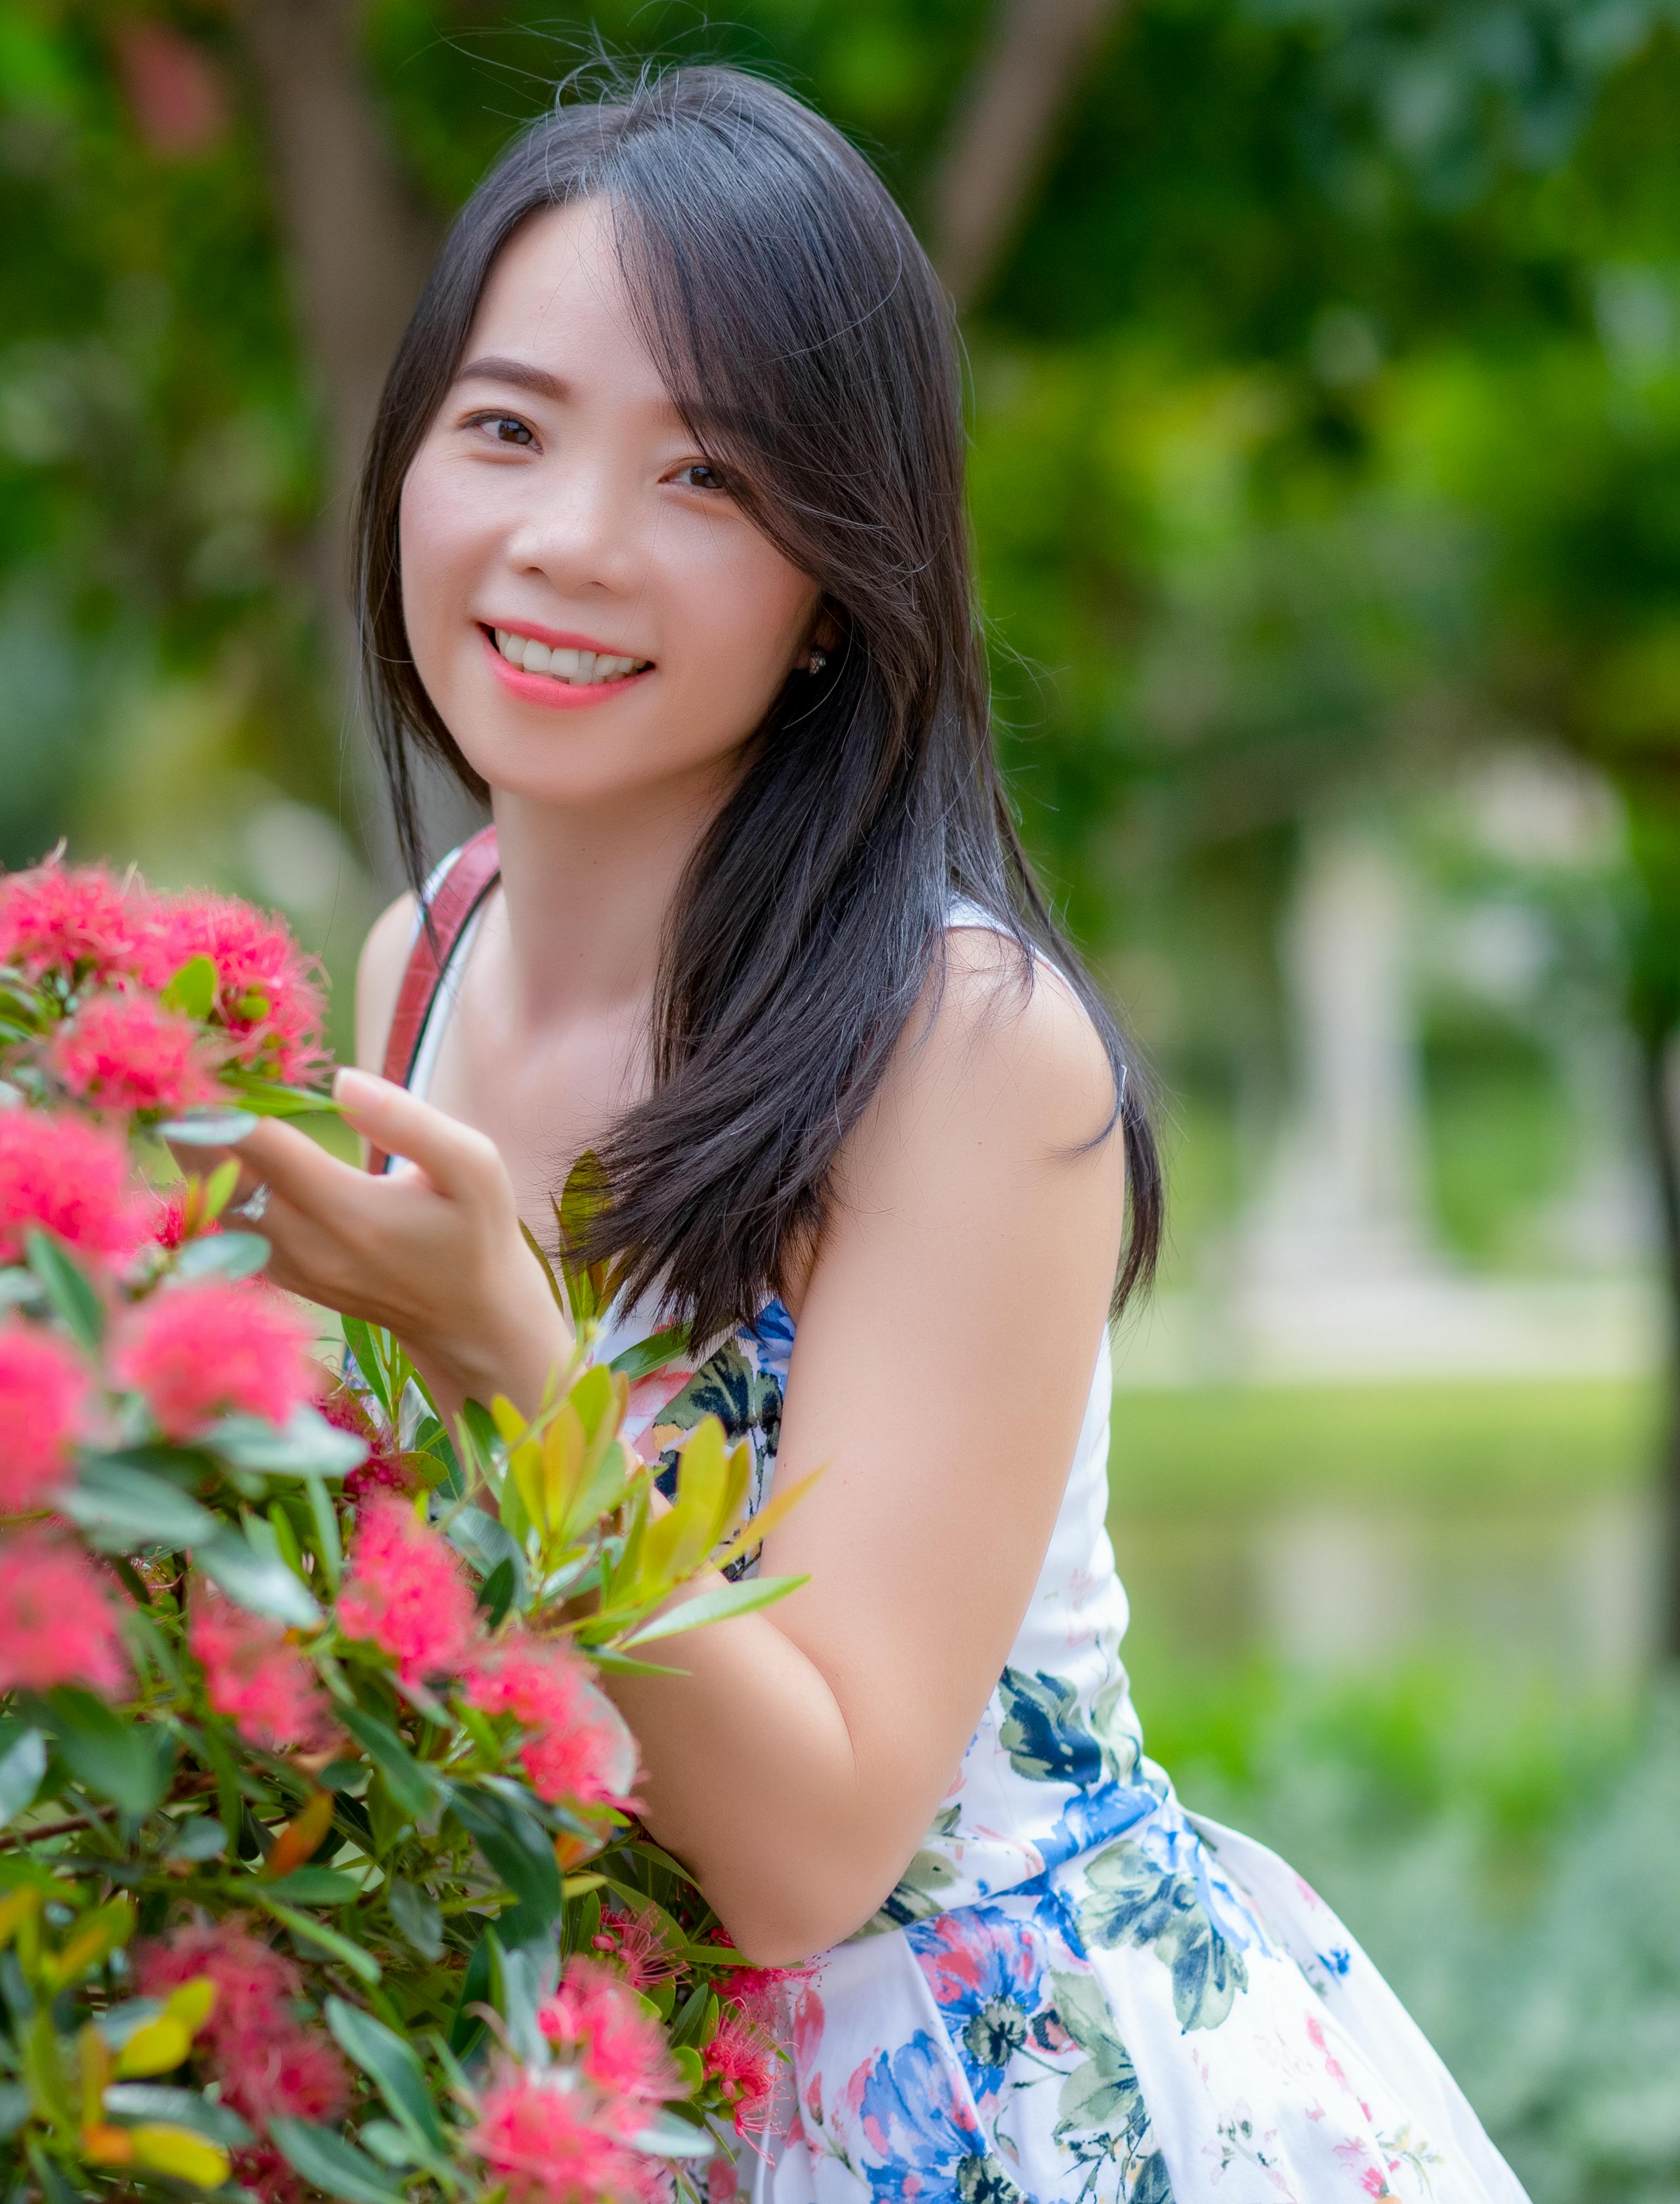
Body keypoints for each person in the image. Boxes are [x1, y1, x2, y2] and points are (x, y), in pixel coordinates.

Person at [216, 65, 1527, 2204]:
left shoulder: (959, 1050)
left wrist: (505, 1350)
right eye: (506, 426)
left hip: (977, 2088)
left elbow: (811, 1852)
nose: (565, 538)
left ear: (837, 573)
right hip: (579, 2081)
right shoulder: (423, 954)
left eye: (703, 474)